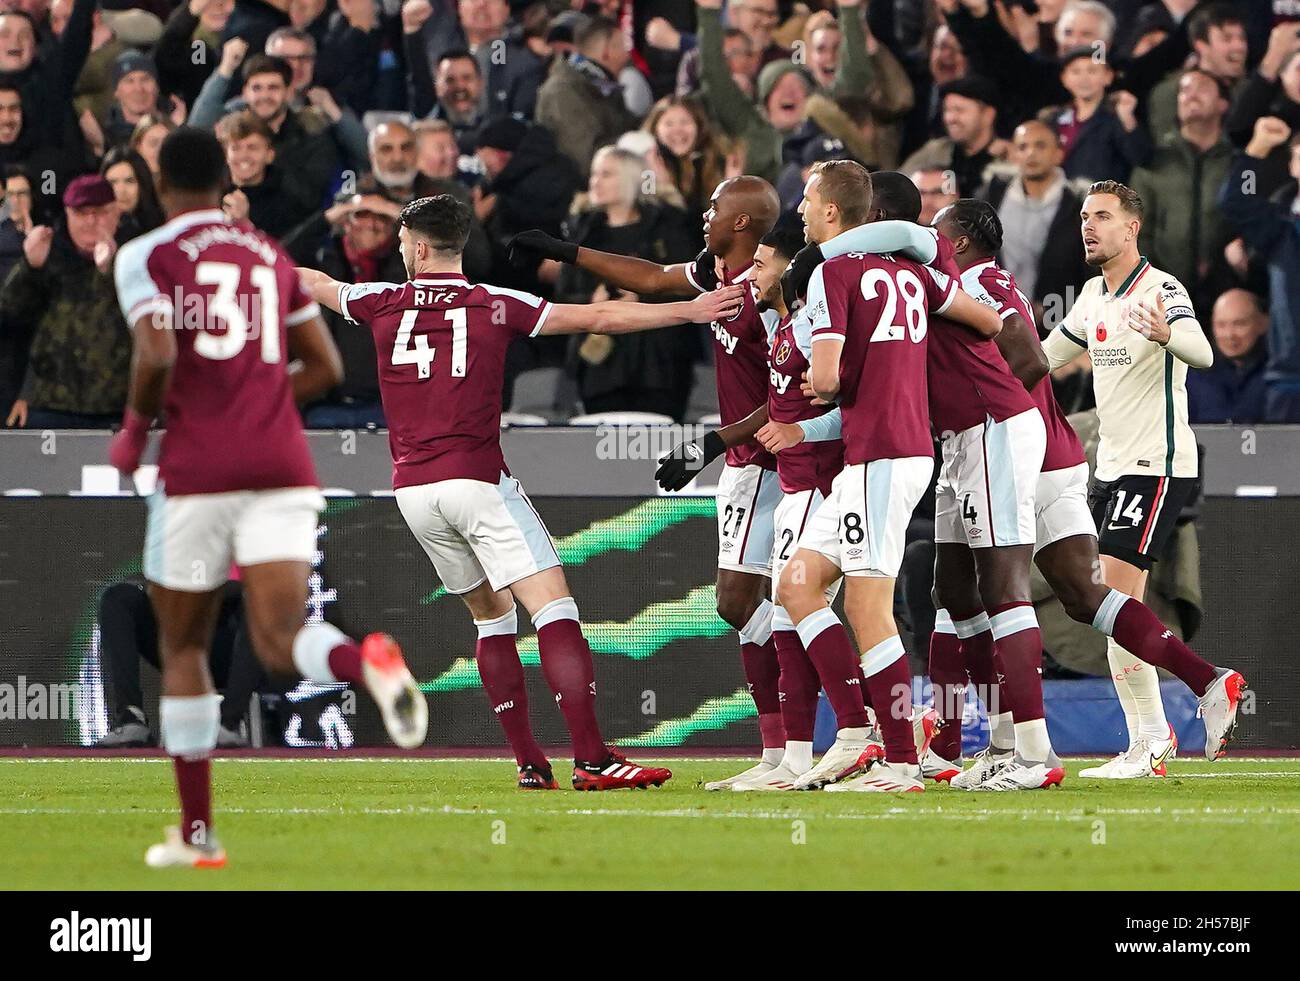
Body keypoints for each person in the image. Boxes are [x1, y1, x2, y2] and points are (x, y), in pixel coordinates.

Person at [297, 192, 745, 790]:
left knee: (490, 620)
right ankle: (591, 757)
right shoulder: (494, 303)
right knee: (554, 609)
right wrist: (693, 311)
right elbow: (600, 317)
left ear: (420, 247)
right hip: (477, 479)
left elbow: (312, 282)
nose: (401, 251)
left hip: (411, 491)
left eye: (404, 243)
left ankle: (531, 763)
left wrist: (238, 252)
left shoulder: (376, 301)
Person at [108, 126, 427, 869]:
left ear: (160, 185)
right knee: (278, 639)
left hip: (197, 467)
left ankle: (197, 836)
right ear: (226, 181)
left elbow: (155, 351)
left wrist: (131, 431)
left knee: (183, 644)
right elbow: (324, 366)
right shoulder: (268, 253)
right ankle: (363, 659)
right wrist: (253, 404)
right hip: (281, 460)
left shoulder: (144, 255)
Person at [509, 175, 790, 789]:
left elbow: (797, 393)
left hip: (774, 461)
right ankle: (794, 743)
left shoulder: (772, 292)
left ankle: (824, 730)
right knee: (766, 606)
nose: (705, 215)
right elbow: (652, 279)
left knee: (747, 602)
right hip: (750, 461)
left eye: (716, 208)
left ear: (744, 223)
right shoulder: (717, 271)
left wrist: (718, 441)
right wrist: (567, 251)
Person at [774, 162, 1003, 793]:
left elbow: (822, 379)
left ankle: (901, 758)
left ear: (830, 213)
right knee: (796, 584)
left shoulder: (831, 273)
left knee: (865, 605)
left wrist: (827, 384)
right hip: (887, 452)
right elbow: (988, 322)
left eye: (806, 198)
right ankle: (856, 732)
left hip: (880, 454)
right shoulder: (915, 274)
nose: (799, 208)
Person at [1040, 180, 1246, 772]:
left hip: (1155, 467)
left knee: (1108, 598)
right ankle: (1152, 737)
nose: (1089, 226)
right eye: (1084, 216)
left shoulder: (1162, 288)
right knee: (1113, 610)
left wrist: (1166, 334)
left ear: (1132, 228)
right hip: (1108, 469)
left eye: (1102, 217)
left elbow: (1202, 351)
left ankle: (1201, 692)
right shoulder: (1091, 296)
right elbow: (1045, 356)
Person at [552, 145, 700, 420]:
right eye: (594, 173)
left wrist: (642, 299)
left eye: (606, 174)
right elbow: (562, 294)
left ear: (630, 179)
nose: (595, 181)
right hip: (600, 365)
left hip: (658, 362)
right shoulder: (582, 231)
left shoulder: (667, 227)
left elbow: (690, 286)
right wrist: (592, 302)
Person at [1, 174, 127, 429]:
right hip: (51, 404)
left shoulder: (134, 257)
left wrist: (110, 272)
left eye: (100, 212)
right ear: (68, 214)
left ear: (116, 213)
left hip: (115, 406)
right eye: (82, 213)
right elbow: (8, 316)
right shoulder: (49, 255)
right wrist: (29, 267)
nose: (91, 221)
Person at [94, 579, 261, 749]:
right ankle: (131, 719)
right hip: (178, 636)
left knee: (255, 599)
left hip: (232, 644)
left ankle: (227, 723)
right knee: (118, 597)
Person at [1219, 116, 1300, 423]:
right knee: (1285, 470)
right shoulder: (1281, 227)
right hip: (1291, 380)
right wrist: (1257, 149)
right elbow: (1235, 203)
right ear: (1292, 166)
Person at [979, 119, 1092, 315]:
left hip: (1059, 323)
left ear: (1058, 154)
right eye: (1023, 147)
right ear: (1014, 154)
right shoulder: (991, 196)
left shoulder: (1080, 203)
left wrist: (1050, 310)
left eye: (1040, 146)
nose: (1030, 153)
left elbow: (1090, 270)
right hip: (997, 321)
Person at [534, 14, 636, 180]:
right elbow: (586, 161)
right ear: (606, 51)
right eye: (624, 46)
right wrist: (634, 146)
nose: (628, 54)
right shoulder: (563, 92)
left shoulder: (603, 86)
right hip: (577, 198)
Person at [1187, 288, 1269, 424]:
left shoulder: (1279, 376)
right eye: (1221, 325)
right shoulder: (1193, 377)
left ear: (1263, 323)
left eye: (1240, 324)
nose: (1230, 335)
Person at [100, 146, 164, 241]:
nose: (121, 191)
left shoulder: (162, 229)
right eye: (112, 182)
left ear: (143, 184)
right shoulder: (94, 231)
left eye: (129, 181)